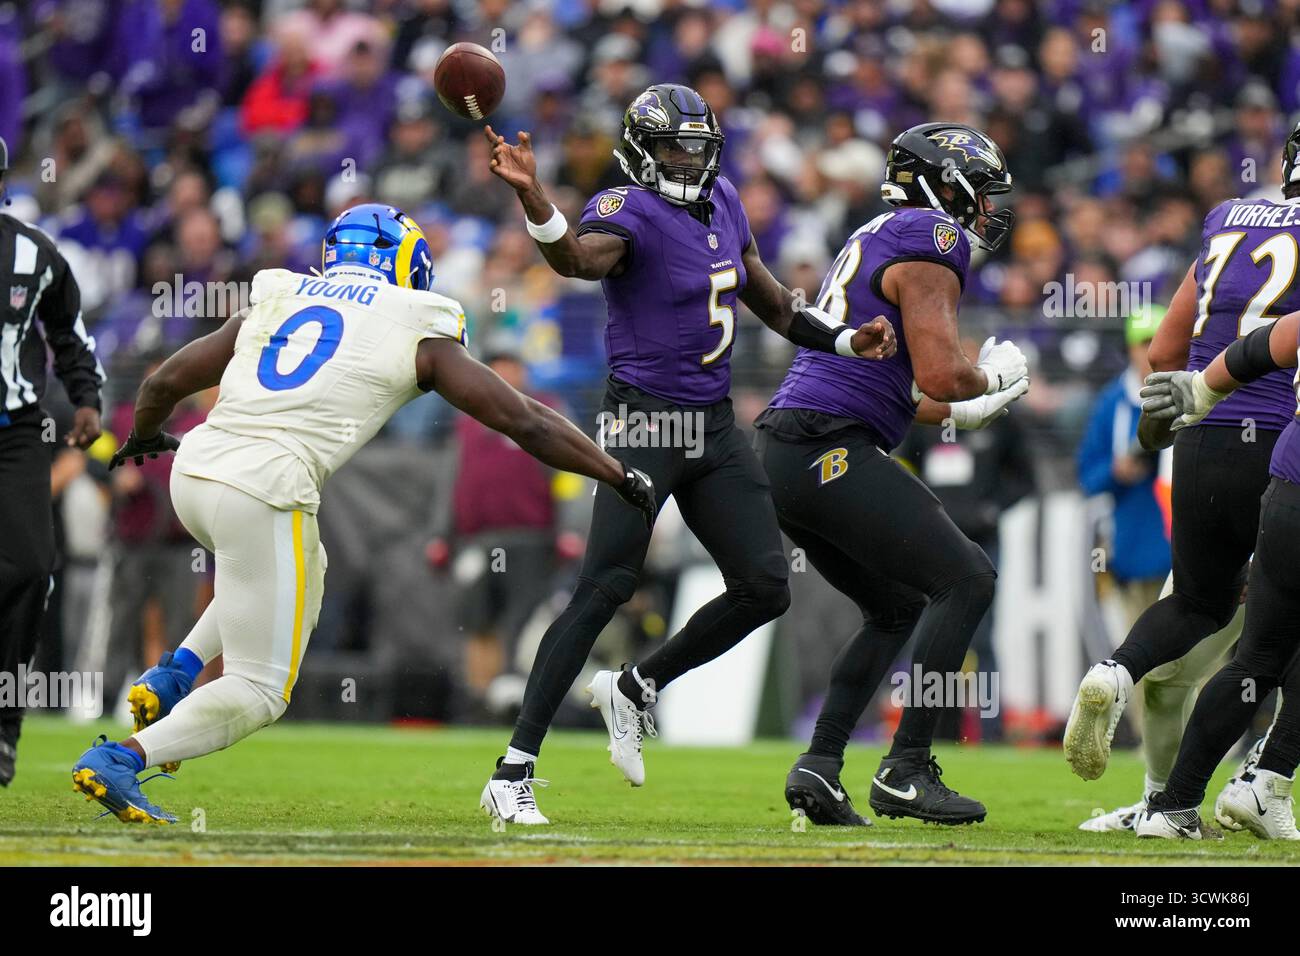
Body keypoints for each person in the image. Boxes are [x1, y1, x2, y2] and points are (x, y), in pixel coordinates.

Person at [69, 203, 655, 824]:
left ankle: (175, 672)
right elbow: (524, 420)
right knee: (261, 689)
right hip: (264, 488)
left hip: (194, 472)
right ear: (404, 264)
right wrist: (615, 472)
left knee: (305, 565)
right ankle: (122, 759)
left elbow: (162, 382)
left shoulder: (280, 293)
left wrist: (145, 436)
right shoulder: (416, 322)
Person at [479, 84, 896, 825]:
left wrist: (843, 339)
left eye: (698, 148)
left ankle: (635, 686)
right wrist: (534, 196)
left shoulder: (725, 200)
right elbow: (575, 260)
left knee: (765, 586)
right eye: (674, 148)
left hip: (714, 425)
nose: (688, 160)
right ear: (642, 151)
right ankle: (513, 769)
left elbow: (774, 303)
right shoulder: (627, 209)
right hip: (645, 423)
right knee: (605, 586)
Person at [755, 123, 1030, 826]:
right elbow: (941, 374)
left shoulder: (881, 232)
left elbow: (908, 389)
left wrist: (969, 402)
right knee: (968, 578)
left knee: (897, 607)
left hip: (792, 449)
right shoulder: (931, 236)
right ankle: (906, 767)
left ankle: (820, 765)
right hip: (826, 443)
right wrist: (990, 376)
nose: (989, 208)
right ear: (947, 186)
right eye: (982, 192)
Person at [1065, 130, 1300, 831]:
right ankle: (1258, 780)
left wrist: (1174, 413)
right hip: (1278, 438)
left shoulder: (1226, 218)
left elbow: (1165, 352)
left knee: (1198, 607)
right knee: (1270, 646)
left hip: (1201, 431)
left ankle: (1116, 673)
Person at [1134, 304, 1300, 840]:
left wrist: (1204, 389)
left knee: (1256, 661)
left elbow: (1267, 341)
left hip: (1286, 491)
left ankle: (1173, 805)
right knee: (1263, 659)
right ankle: (1267, 778)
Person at [0, 135, 104, 787]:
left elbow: (68, 330)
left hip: (13, 430)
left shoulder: (33, 253)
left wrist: (86, 398)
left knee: (33, 568)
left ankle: (4, 722)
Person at [1075, 306, 1173, 637]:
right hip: (1133, 556)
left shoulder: (1193, 394)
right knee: (1142, 656)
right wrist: (1117, 471)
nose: (1153, 352)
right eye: (1145, 343)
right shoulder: (1111, 404)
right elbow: (1087, 476)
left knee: (1200, 661)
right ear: (1130, 349)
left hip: (1186, 559)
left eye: (1160, 341)